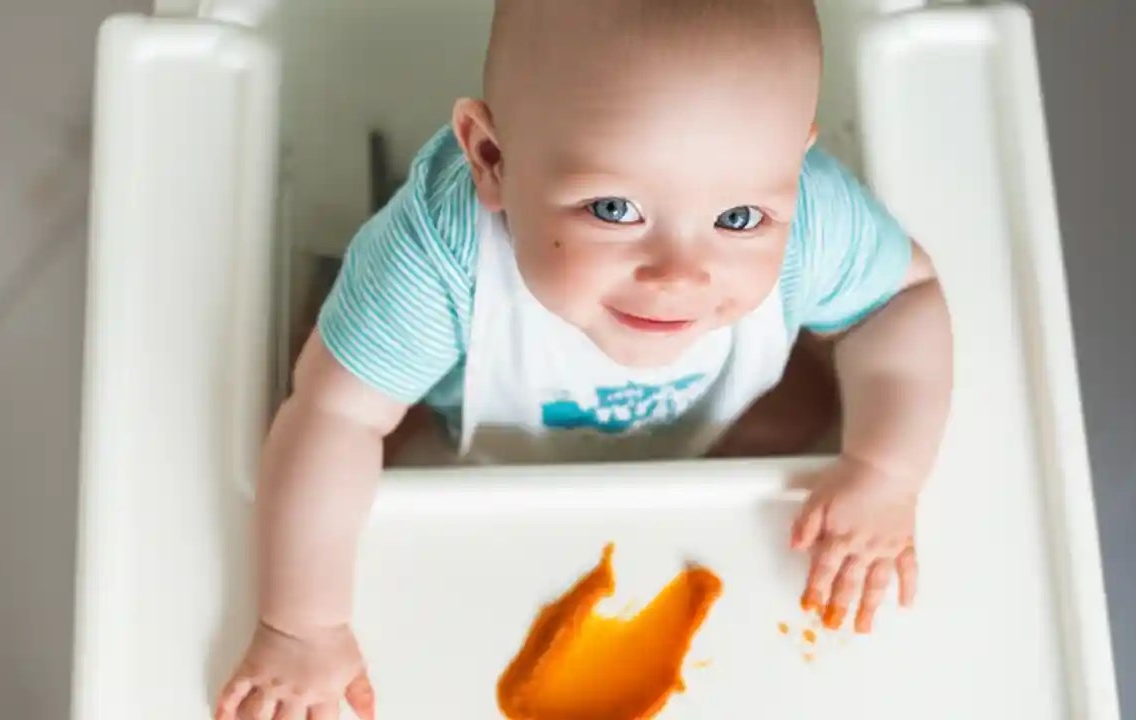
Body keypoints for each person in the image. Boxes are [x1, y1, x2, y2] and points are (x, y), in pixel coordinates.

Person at [216, 1, 952, 717]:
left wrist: (887, 471)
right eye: (614, 210)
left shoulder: (813, 216)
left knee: (808, 408)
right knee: (324, 392)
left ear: (797, 158)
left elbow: (903, 298)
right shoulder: (436, 254)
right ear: (492, 159)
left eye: (737, 219)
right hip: (452, 405)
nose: (679, 275)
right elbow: (337, 415)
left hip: (709, 410)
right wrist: (301, 627)